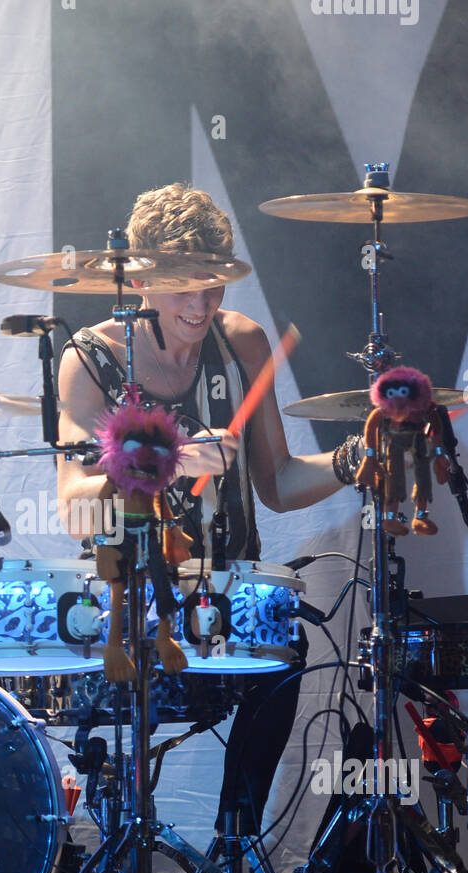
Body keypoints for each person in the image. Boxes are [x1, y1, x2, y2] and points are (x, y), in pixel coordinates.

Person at [56, 183, 363, 833]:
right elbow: (76, 510)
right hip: (133, 595)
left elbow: (277, 483)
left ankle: (236, 859)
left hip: (227, 594)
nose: (199, 306)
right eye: (182, 288)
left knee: (287, 642)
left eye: (214, 286)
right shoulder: (90, 358)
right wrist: (156, 456)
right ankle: (119, 858)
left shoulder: (243, 342)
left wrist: (349, 461)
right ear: (138, 274)